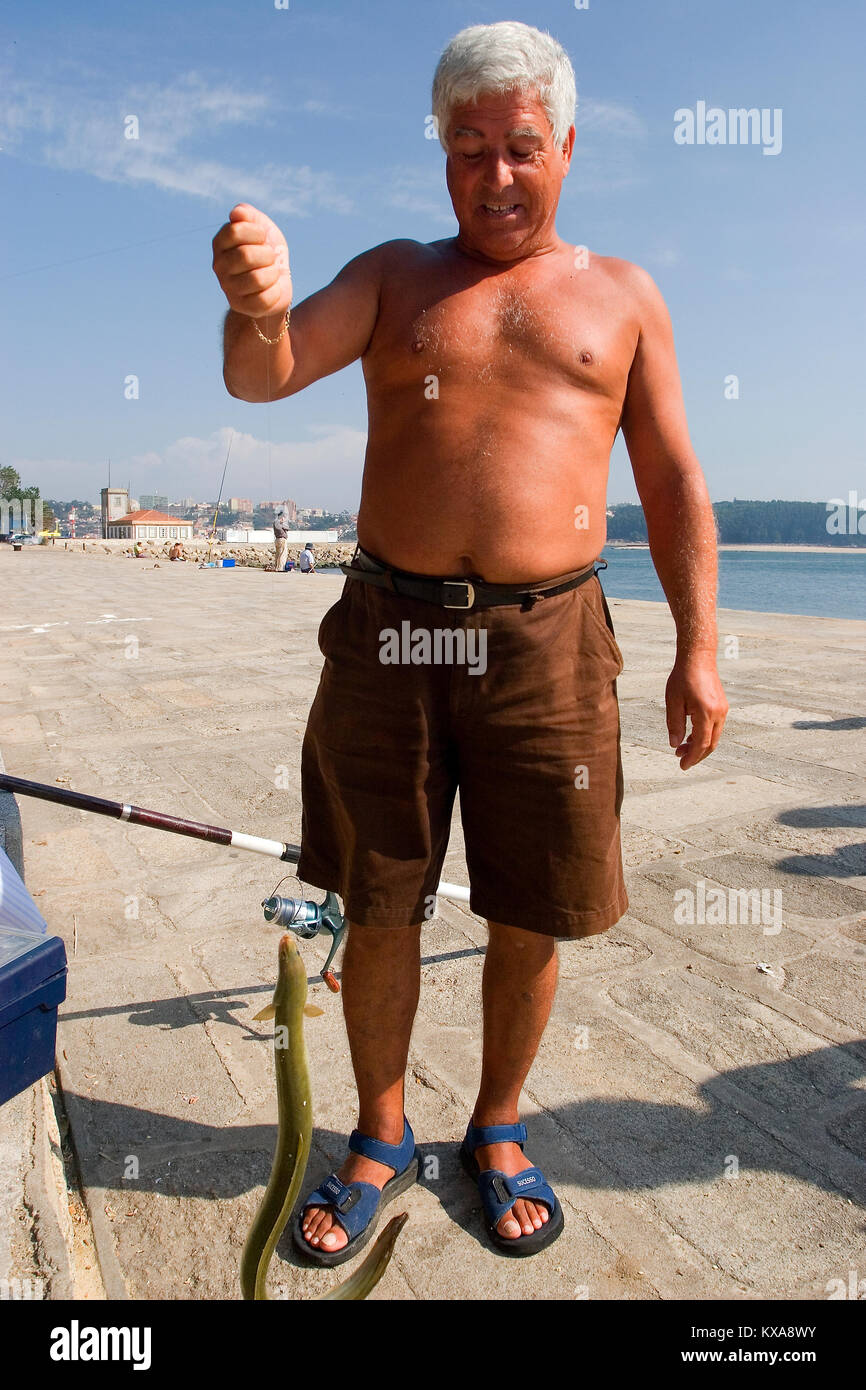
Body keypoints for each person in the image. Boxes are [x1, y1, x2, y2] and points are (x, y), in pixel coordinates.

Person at [213, 20, 728, 1262]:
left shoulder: (623, 296)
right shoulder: (395, 275)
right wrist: (253, 302)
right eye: (466, 150)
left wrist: (696, 646)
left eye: (519, 148)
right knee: (378, 897)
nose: (494, 175)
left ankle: (497, 1124)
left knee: (529, 905)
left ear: (565, 147)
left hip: (548, 643)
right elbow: (261, 376)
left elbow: (667, 478)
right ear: (439, 153)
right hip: (389, 635)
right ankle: (379, 1131)